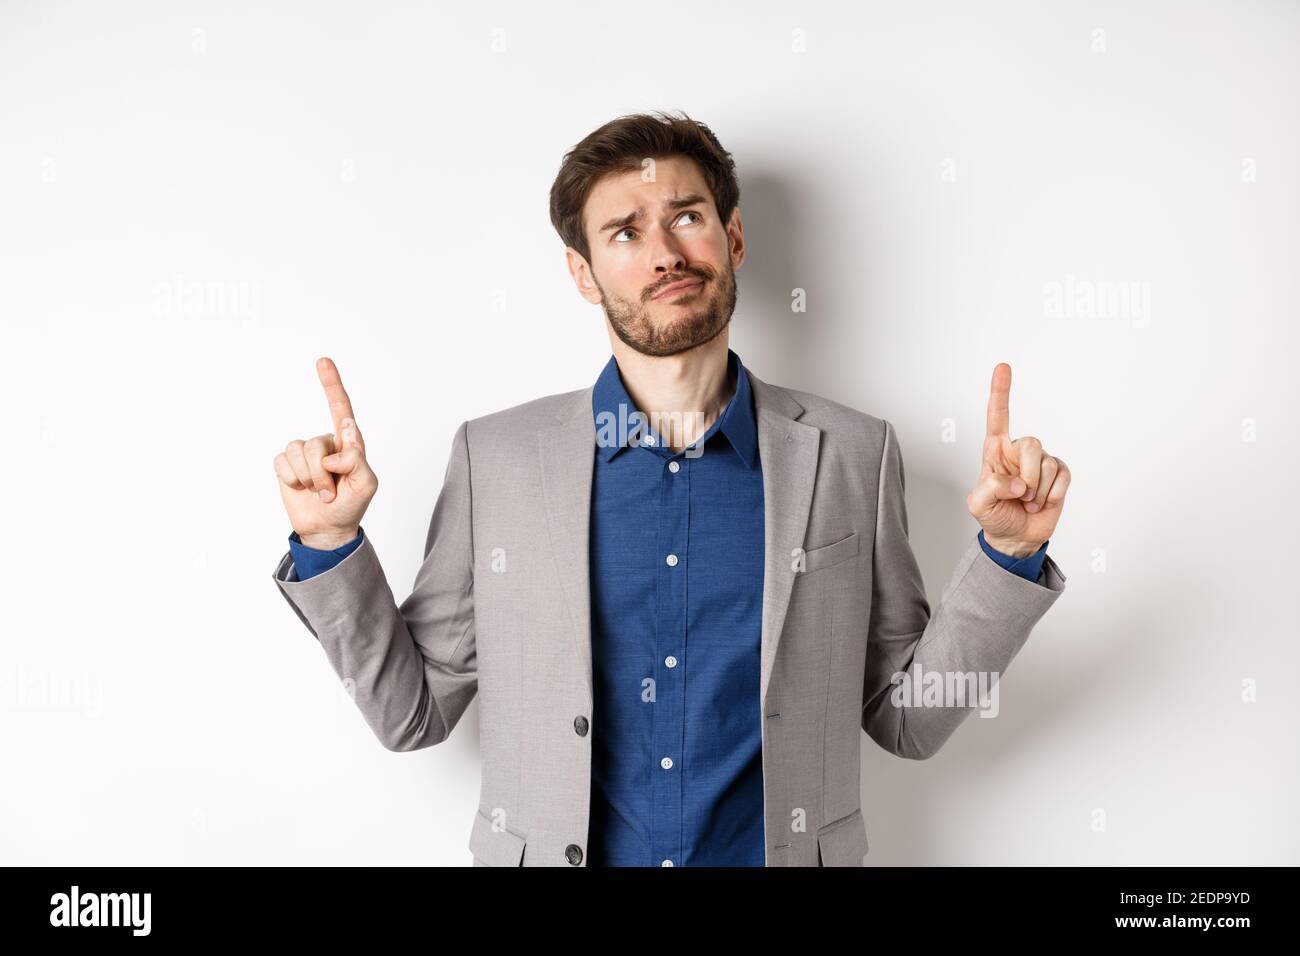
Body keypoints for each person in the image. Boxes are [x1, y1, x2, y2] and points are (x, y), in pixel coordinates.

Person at [270, 110, 1071, 867]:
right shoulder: (496, 460)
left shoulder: (856, 454)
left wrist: (1007, 555)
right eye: (625, 232)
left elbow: (907, 718)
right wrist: (331, 543)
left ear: (734, 237)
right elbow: (413, 715)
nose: (665, 254)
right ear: (584, 274)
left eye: (687, 217)